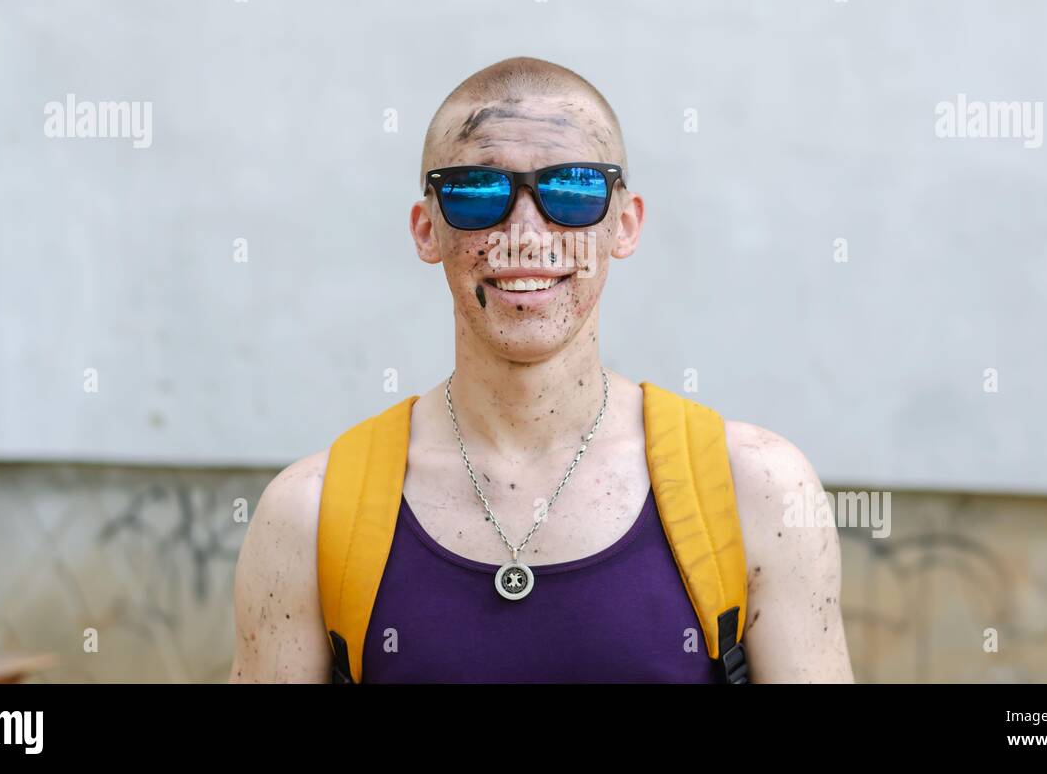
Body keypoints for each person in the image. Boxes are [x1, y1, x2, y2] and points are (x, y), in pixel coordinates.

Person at [229, 57, 854, 683]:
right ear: (426, 230)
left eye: (572, 190)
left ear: (626, 223)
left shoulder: (755, 490)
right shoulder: (310, 515)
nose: (524, 236)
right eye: (476, 192)